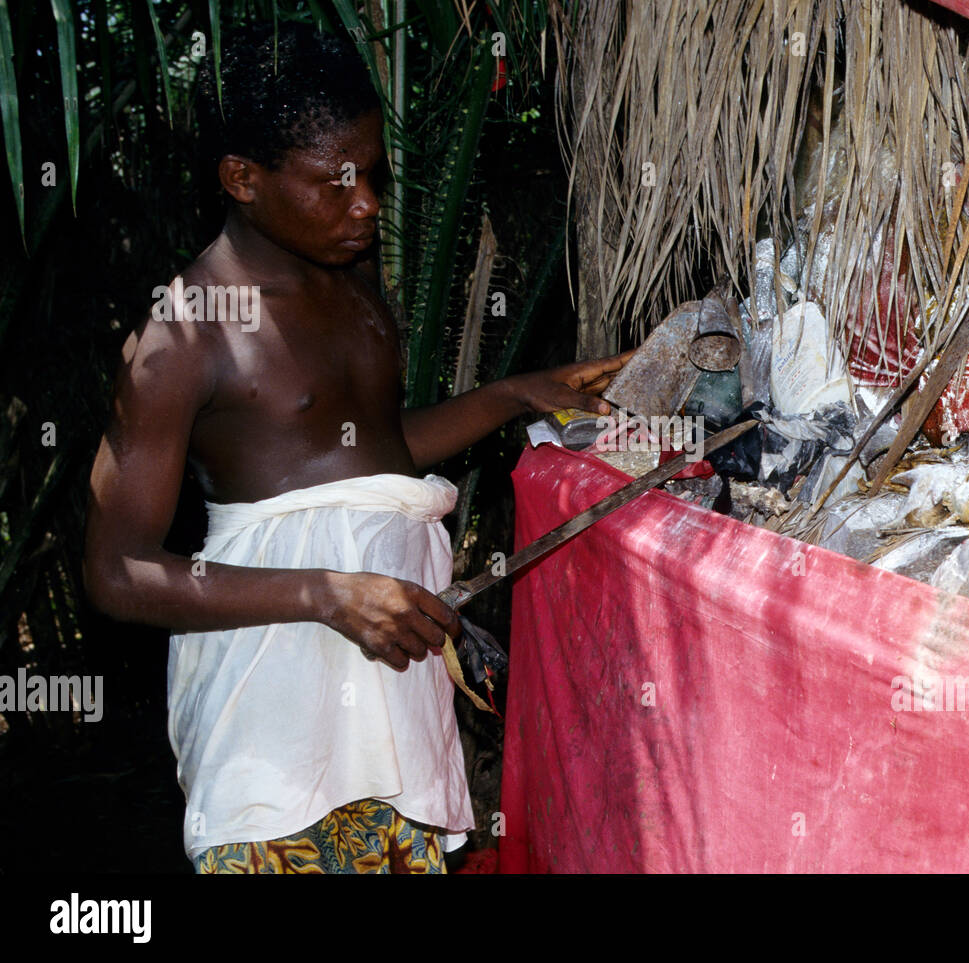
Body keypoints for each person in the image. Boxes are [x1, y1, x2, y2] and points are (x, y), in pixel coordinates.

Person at [82, 22, 628, 874]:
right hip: (273, 720)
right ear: (243, 180)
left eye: (372, 174)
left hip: (390, 707)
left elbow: (365, 457)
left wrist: (512, 394)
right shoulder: (184, 329)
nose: (367, 203)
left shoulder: (348, 283)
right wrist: (331, 594)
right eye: (335, 183)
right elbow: (116, 571)